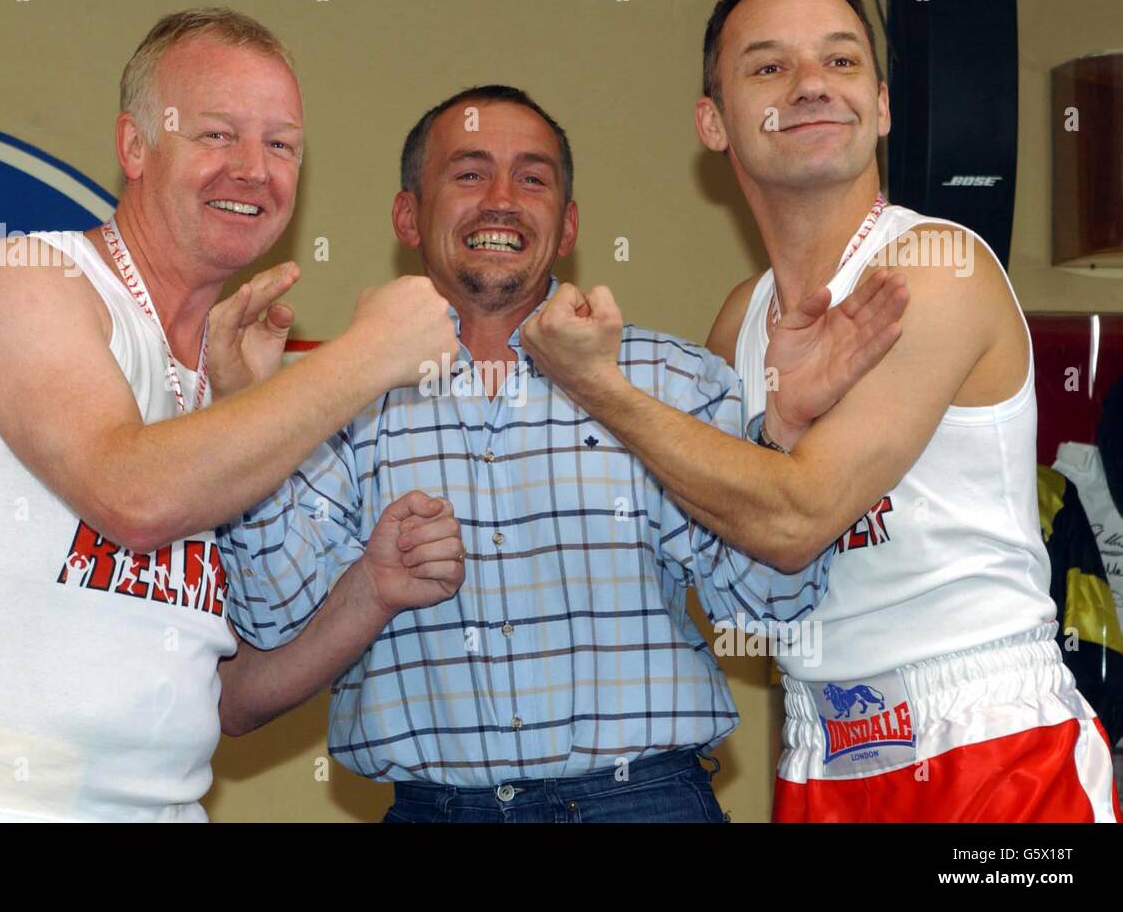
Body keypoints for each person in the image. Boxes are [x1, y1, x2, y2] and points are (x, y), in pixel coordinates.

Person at [521, 0, 1120, 822]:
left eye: (841, 60)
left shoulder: (936, 267)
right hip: (823, 746)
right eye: (769, 66)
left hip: (991, 748)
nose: (810, 84)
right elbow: (737, 590)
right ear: (714, 121)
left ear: (880, 106)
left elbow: (796, 518)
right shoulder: (739, 321)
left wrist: (601, 390)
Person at [0, 8, 465, 822]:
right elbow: (131, 493)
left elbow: (225, 702)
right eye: (216, 135)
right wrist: (368, 353)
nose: (253, 169)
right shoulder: (28, 281)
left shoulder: (223, 385)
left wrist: (370, 592)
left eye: (281, 145)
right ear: (134, 146)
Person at [218, 83, 907, 823]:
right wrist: (245, 416)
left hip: (644, 804)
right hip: (433, 810)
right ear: (408, 215)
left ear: (568, 223)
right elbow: (274, 626)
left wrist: (786, 434)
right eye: (470, 173)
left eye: (534, 178)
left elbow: (770, 613)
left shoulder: (670, 380)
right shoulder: (336, 400)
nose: (503, 200)